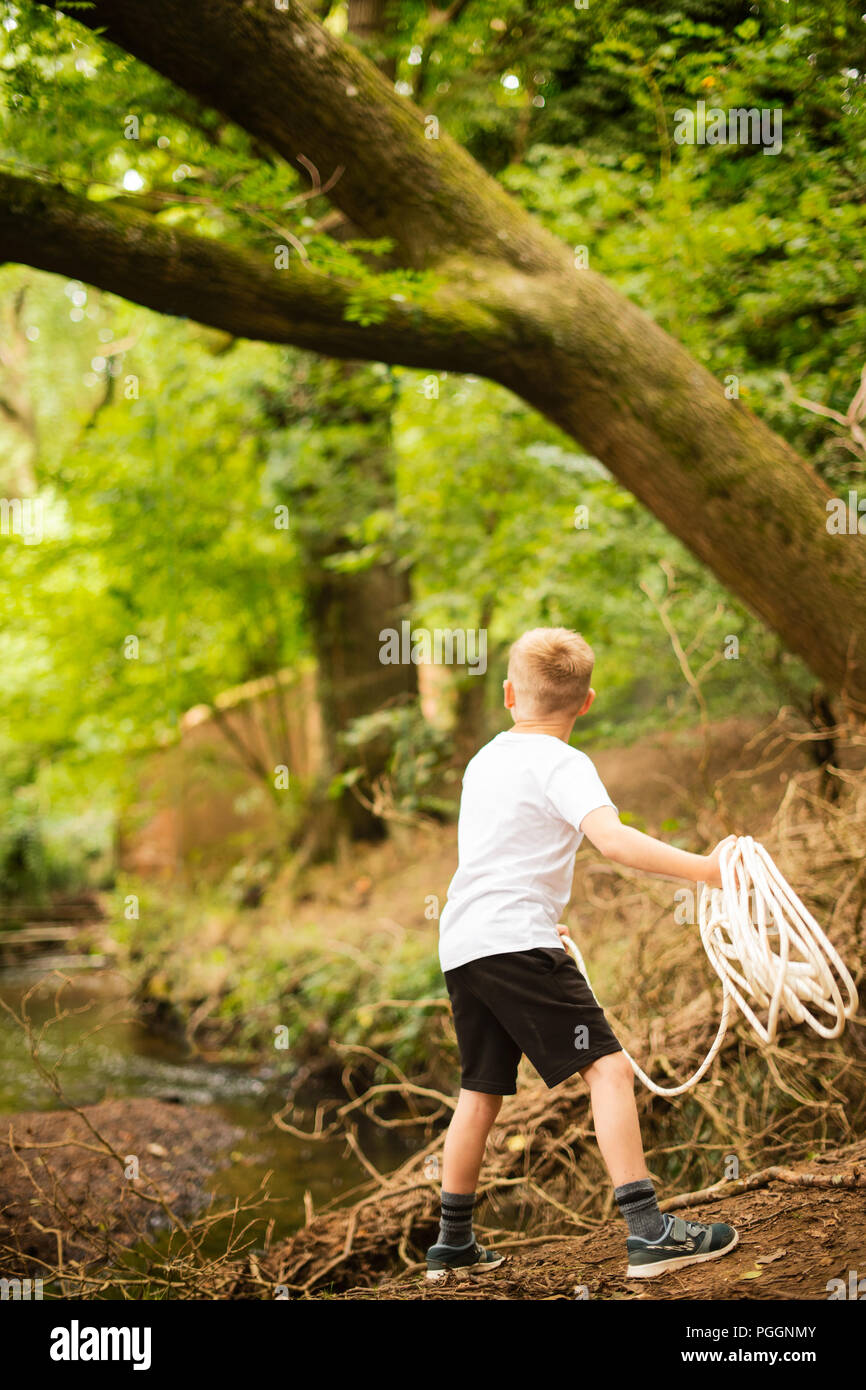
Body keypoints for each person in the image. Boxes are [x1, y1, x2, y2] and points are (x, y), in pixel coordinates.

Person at [426, 626, 738, 1281]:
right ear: (587, 702)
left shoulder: (485, 760)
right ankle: (650, 1234)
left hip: (466, 945)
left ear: (510, 694)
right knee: (612, 1072)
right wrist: (707, 871)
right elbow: (614, 842)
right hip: (514, 941)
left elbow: (499, 855)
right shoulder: (566, 764)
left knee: (479, 1091)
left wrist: (542, 923)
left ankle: (452, 1246)